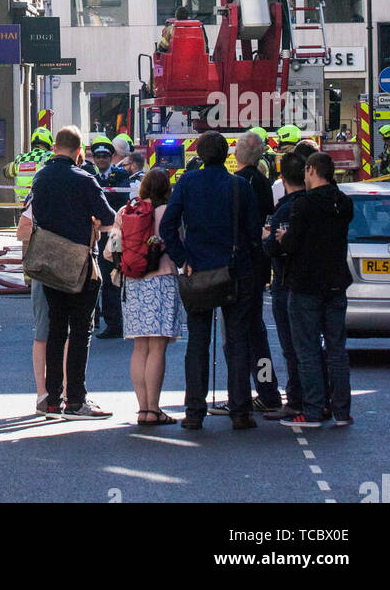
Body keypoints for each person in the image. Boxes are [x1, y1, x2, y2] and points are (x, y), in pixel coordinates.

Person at [160, 130, 262, 431]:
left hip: (198, 272)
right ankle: (241, 412)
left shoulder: (188, 183)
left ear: (199, 156)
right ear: (227, 155)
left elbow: (168, 226)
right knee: (238, 341)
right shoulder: (239, 186)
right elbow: (253, 233)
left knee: (198, 342)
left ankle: (194, 412)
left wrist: (182, 259)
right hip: (235, 270)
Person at [30, 126, 115, 419]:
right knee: (80, 331)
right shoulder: (84, 179)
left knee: (56, 329)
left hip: (49, 262)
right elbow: (108, 218)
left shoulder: (39, 178)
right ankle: (76, 400)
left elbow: (36, 215)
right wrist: (91, 222)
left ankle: (52, 401)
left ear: (55, 148)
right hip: (79, 263)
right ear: (80, 151)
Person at [277, 152, 354, 428]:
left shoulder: (305, 204)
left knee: (307, 349)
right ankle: (342, 411)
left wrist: (282, 238)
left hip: (307, 284)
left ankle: (312, 410)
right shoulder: (343, 203)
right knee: (336, 350)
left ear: (310, 170)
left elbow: (292, 245)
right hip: (336, 283)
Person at [261, 151, 328, 422]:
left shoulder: (286, 209)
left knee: (293, 348)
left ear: (282, 177)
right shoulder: (315, 204)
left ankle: (298, 400)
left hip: (287, 283)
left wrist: (268, 237)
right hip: (317, 283)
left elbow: (272, 249)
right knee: (316, 345)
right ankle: (323, 398)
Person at [117, 168, 183, 425]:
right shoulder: (168, 211)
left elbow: (112, 250)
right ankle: (154, 409)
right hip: (162, 281)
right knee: (158, 347)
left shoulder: (126, 212)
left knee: (139, 346)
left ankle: (142, 408)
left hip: (134, 283)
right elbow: (178, 242)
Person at [230, 131, 283, 415]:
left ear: (238, 154)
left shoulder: (243, 183)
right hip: (258, 267)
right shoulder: (261, 182)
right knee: (254, 331)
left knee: (244, 334)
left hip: (244, 268)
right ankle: (266, 389)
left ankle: (263, 391)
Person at [15, 199, 66, 414]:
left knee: (52, 332)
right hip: (58, 269)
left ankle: (49, 394)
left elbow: (22, 231)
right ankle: (48, 393)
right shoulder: (41, 201)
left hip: (47, 269)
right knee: (52, 332)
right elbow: (22, 231)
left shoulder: (41, 199)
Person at [91, 139, 127, 339]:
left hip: (115, 233)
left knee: (113, 275)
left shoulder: (120, 175)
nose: (101, 159)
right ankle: (94, 318)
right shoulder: (91, 176)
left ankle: (114, 323)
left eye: (105, 156)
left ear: (111, 157)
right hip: (96, 233)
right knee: (93, 276)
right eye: (98, 156)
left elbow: (119, 200)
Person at [4, 127, 54, 206]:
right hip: (41, 202)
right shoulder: (49, 157)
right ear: (49, 142)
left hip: (23, 203)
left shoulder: (21, 158)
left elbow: (6, 172)